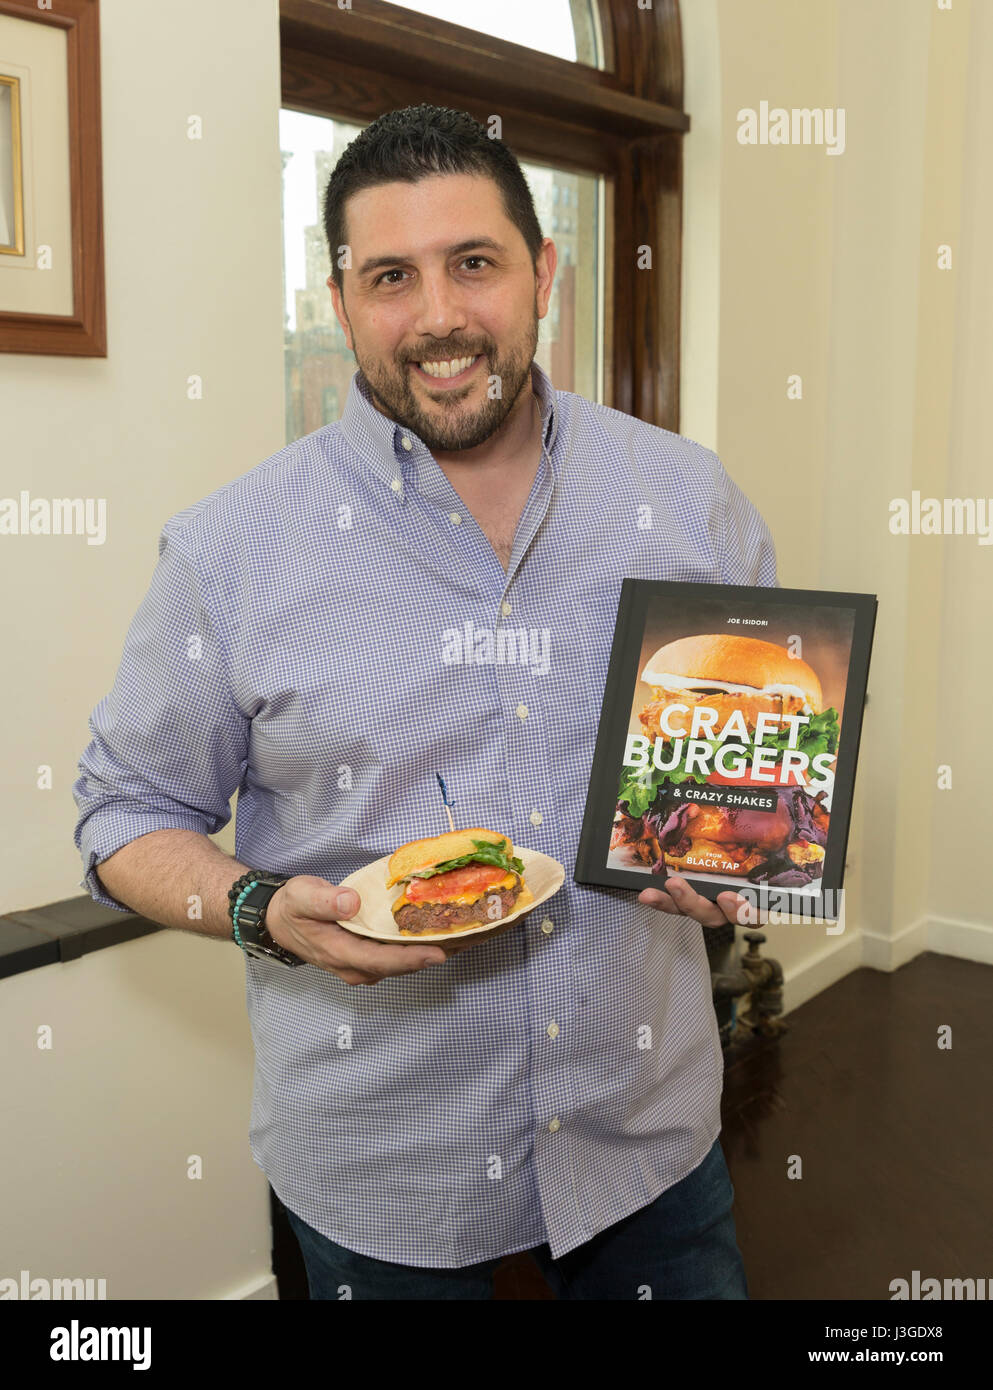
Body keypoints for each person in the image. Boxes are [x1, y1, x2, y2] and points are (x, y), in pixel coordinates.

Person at [72, 104, 776, 1300]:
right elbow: (120, 814)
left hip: (648, 1139)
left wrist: (744, 854)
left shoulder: (686, 499)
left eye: (476, 263)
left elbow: (753, 776)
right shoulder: (230, 552)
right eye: (392, 275)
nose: (441, 315)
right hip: (383, 1167)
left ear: (543, 273)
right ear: (341, 299)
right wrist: (255, 908)